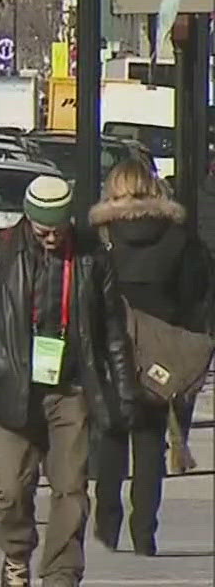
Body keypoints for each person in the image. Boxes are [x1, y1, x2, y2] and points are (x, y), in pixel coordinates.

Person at [0, 175, 139, 587]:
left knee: (71, 489)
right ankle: (16, 556)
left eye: (58, 229)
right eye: (43, 230)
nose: (52, 237)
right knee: (11, 490)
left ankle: (61, 573)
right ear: (28, 219)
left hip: (71, 389)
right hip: (12, 386)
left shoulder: (92, 257)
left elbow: (113, 332)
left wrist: (124, 391)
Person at [88, 160, 212, 555]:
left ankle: (107, 531)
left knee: (109, 442)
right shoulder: (180, 239)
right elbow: (199, 298)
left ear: (114, 188)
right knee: (150, 445)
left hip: (111, 352)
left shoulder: (99, 236)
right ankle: (145, 534)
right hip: (163, 358)